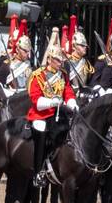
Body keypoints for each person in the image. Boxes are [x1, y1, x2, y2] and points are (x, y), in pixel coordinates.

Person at [27, 27, 77, 186]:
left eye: (61, 60)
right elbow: (35, 98)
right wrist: (51, 102)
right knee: (41, 130)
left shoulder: (62, 75)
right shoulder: (38, 75)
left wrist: (72, 103)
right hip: (41, 114)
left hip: (59, 113)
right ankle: (38, 171)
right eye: (56, 60)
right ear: (49, 60)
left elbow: (68, 92)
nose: (60, 62)